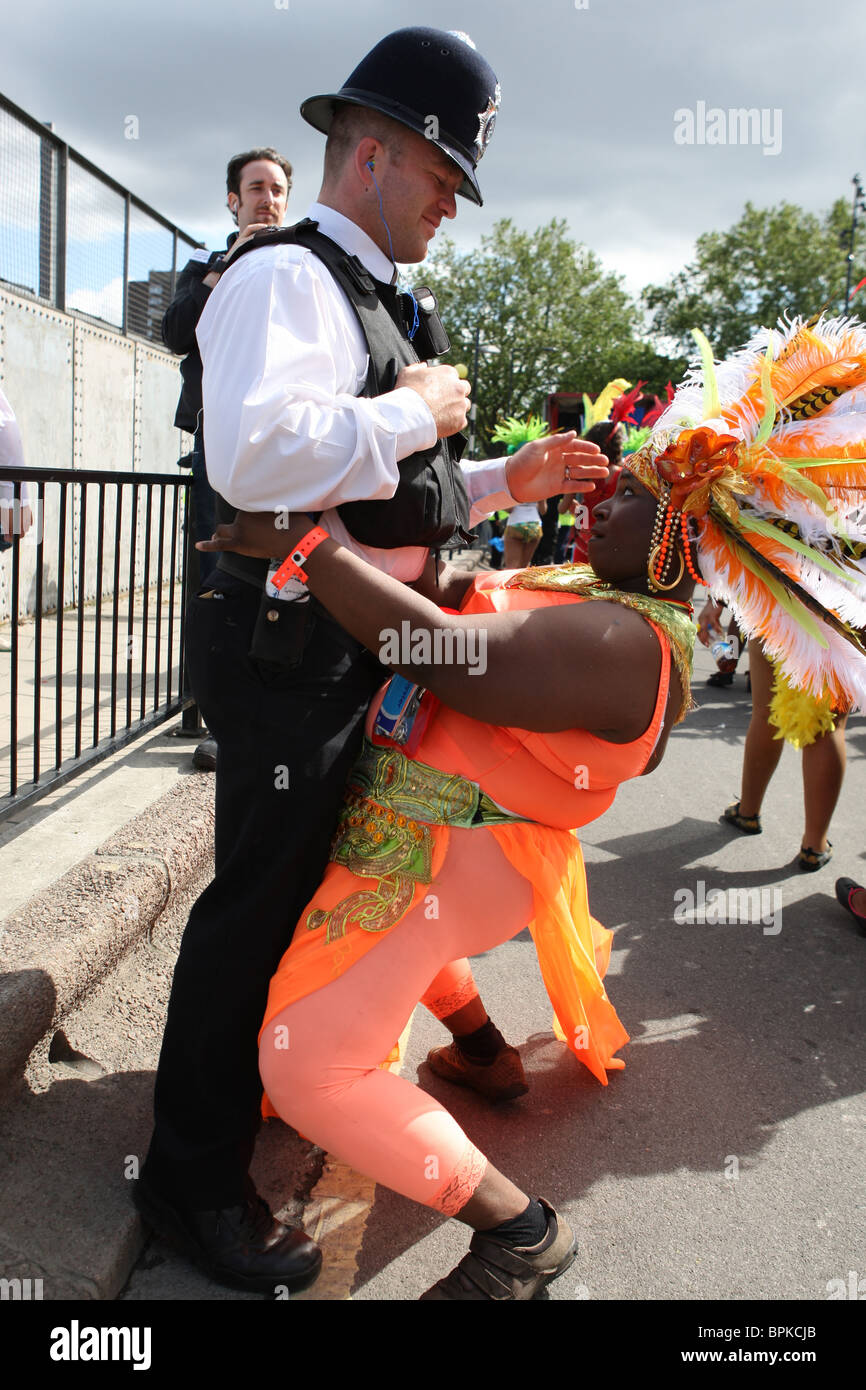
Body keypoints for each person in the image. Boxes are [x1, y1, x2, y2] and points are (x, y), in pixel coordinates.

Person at [201, 311, 866, 1300]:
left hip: (438, 856)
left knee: (303, 1069)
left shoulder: (630, 644)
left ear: (682, 532)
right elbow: (464, 596)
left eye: (628, 495)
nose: (599, 497)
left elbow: (443, 656)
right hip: (445, 852)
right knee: (392, 947)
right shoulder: (598, 592)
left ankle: (521, 1234)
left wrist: (302, 546)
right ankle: (481, 1051)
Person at [135, 27, 606, 1296]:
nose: (452, 201)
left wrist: (504, 473)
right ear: (373, 154)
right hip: (287, 650)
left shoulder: (371, 295)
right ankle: (186, 1187)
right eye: (443, 174)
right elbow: (255, 456)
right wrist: (420, 410)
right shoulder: (285, 279)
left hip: (336, 647)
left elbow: (392, 491)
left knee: (293, 890)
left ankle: (263, 1094)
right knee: (254, 908)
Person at [162, 147, 292, 771]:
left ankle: (265, 705)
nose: (269, 198)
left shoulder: (304, 264)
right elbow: (175, 332)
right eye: (256, 187)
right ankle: (210, 712)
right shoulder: (207, 269)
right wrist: (228, 266)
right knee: (216, 576)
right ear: (233, 201)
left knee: (282, 573)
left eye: (278, 188)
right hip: (218, 449)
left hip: (288, 445)